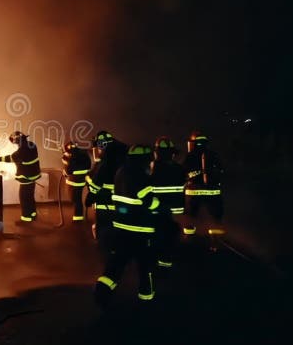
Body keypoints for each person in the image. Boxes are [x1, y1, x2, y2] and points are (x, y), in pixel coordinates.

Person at [95, 144, 159, 307]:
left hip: (120, 228)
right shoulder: (142, 176)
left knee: (116, 264)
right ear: (144, 160)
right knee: (145, 266)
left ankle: (102, 290)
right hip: (140, 230)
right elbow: (149, 202)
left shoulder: (121, 172)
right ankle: (146, 299)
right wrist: (159, 204)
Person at [85, 130, 128, 254]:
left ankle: (107, 252)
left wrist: (88, 183)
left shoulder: (106, 162)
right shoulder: (124, 158)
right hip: (121, 202)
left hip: (105, 201)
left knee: (105, 230)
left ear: (103, 145)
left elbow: (96, 183)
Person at [182, 131, 225, 250]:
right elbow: (221, 170)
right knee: (215, 218)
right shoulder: (213, 155)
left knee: (190, 217)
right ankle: (215, 242)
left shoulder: (190, 156)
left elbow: (183, 173)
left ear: (193, 143)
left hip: (194, 193)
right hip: (213, 193)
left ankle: (189, 240)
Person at [150, 136, 185, 268]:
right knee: (170, 236)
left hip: (156, 209)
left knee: (156, 236)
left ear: (156, 152)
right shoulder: (179, 168)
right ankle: (166, 263)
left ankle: (155, 263)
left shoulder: (151, 167)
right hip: (174, 209)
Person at [0, 131, 41, 223]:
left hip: (26, 177)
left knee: (24, 198)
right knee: (30, 196)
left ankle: (26, 218)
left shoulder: (21, 151)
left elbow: (12, 158)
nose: (15, 144)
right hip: (33, 176)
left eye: (15, 142)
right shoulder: (32, 145)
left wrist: (0, 159)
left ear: (17, 140)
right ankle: (33, 214)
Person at [61, 141, 91, 222]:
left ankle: (78, 218)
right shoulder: (83, 154)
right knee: (78, 199)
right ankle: (78, 217)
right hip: (82, 181)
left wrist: (64, 164)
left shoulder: (70, 156)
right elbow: (88, 166)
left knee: (75, 199)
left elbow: (68, 171)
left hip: (73, 182)